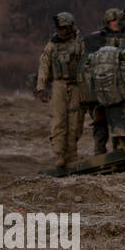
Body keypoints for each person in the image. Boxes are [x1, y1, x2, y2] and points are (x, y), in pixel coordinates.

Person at [35, 12, 86, 171]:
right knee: (58, 121)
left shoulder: (80, 43)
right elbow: (43, 67)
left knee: (75, 122)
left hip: (76, 86)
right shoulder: (51, 46)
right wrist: (41, 88)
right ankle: (59, 155)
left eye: (64, 28)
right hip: (58, 85)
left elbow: (87, 63)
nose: (61, 31)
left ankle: (72, 155)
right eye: (59, 28)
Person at [83, 8, 125, 154]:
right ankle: (99, 151)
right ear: (107, 23)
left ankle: (120, 150)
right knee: (100, 122)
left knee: (120, 119)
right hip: (101, 85)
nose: (116, 24)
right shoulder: (97, 39)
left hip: (119, 86)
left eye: (118, 20)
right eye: (113, 21)